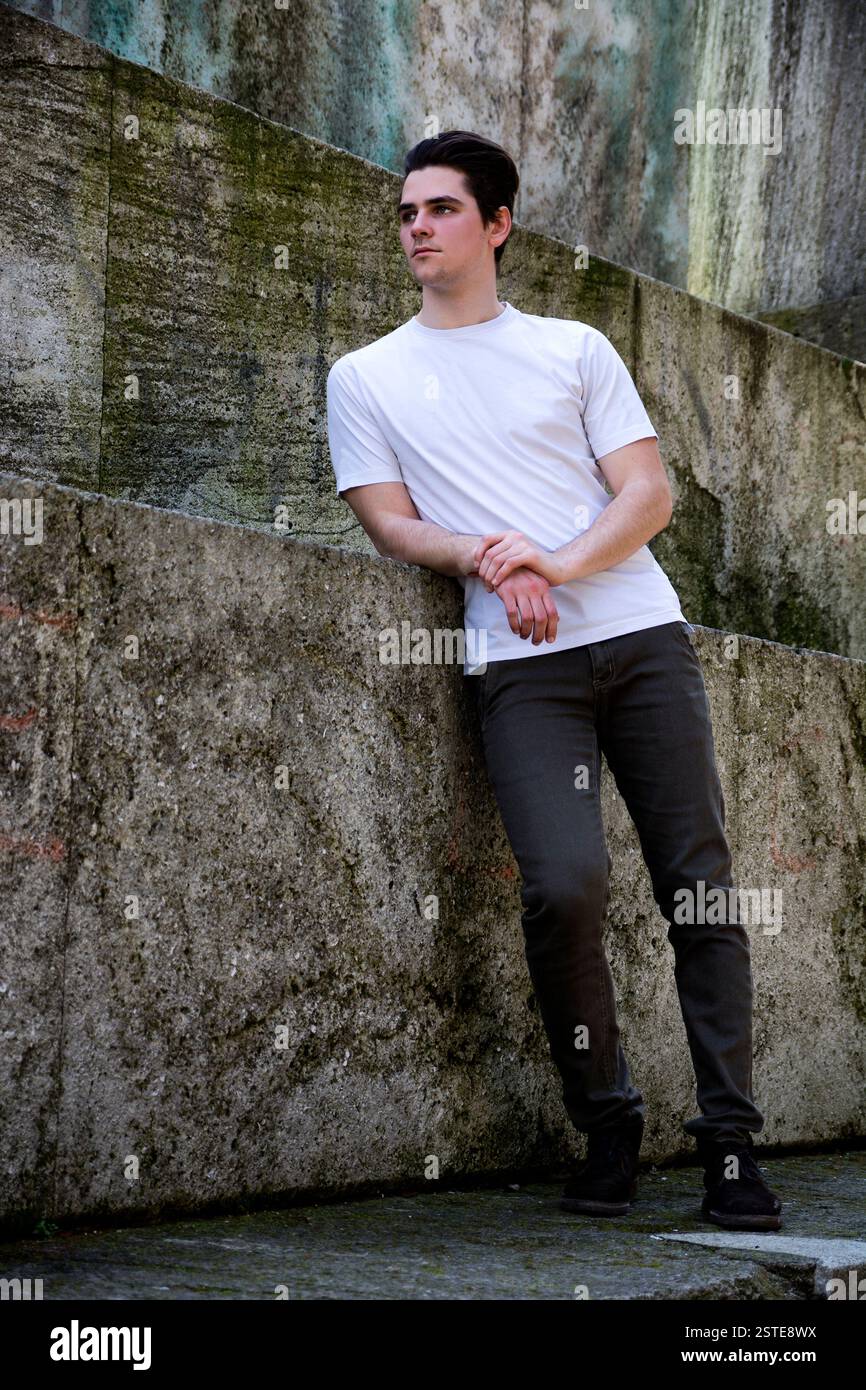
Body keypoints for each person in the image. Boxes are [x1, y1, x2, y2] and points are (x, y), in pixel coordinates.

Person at [325, 129, 782, 1232]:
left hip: (639, 638)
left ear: (496, 225)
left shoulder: (573, 349)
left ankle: (727, 1143)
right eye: (405, 212)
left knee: (698, 886)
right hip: (518, 668)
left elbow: (646, 495)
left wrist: (556, 562)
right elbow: (389, 521)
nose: (417, 227)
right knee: (562, 883)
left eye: (439, 209)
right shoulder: (365, 375)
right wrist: (493, 555)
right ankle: (606, 1117)